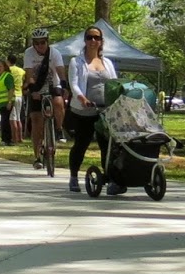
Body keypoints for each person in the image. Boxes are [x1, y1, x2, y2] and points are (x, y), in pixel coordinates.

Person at [65, 26, 118, 194]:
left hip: (104, 111)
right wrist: (83, 99)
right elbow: (74, 84)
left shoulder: (107, 63)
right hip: (84, 110)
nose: (93, 41)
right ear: (85, 40)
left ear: (101, 41)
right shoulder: (77, 62)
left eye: (96, 38)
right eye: (89, 37)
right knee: (81, 144)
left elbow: (115, 84)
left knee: (107, 147)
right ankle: (74, 177)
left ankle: (110, 179)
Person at [25, 28, 66, 169]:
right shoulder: (29, 53)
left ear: (47, 42)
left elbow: (60, 70)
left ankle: (59, 129)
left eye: (43, 42)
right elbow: (29, 73)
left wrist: (64, 84)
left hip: (52, 84)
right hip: (36, 87)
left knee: (59, 102)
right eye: (37, 43)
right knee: (36, 122)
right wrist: (33, 90)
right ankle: (37, 157)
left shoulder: (54, 53)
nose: (40, 45)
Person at [8, 53, 26, 146]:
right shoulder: (21, 71)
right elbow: (24, 81)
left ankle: (14, 138)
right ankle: (20, 137)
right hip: (20, 94)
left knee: (12, 118)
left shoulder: (8, 71)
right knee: (18, 117)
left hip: (12, 95)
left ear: (8, 61)